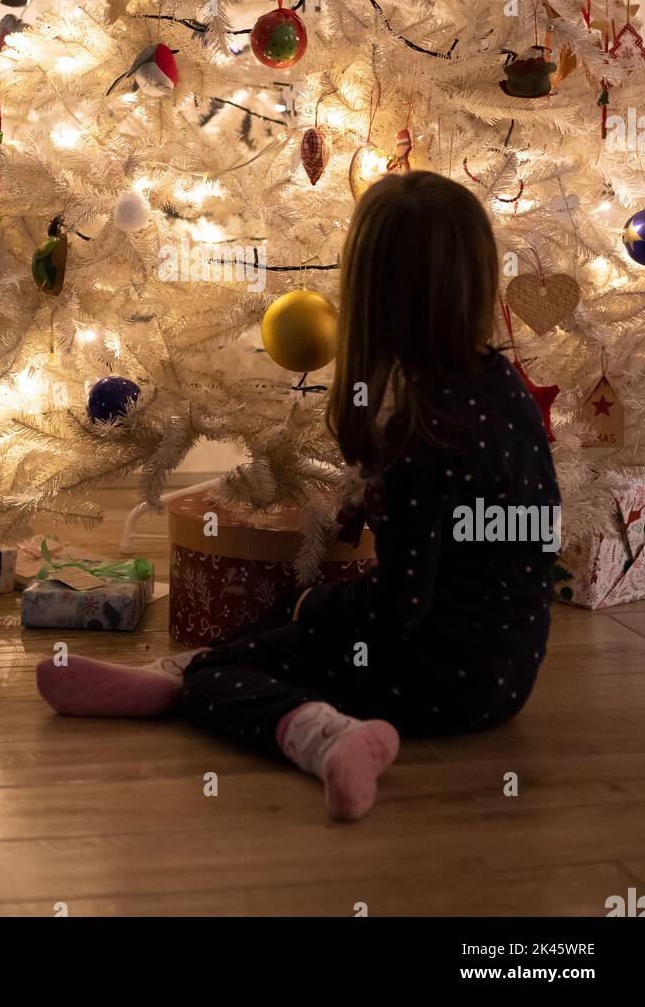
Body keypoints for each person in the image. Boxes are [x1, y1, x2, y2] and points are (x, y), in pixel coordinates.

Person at [37, 172, 561, 820]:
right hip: (510, 666)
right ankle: (185, 673)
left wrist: (322, 603)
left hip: (443, 683)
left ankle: (316, 730)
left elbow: (400, 608)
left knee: (265, 648)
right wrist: (371, 511)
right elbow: (481, 527)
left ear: (370, 294)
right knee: (294, 621)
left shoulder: (420, 437)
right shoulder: (498, 387)